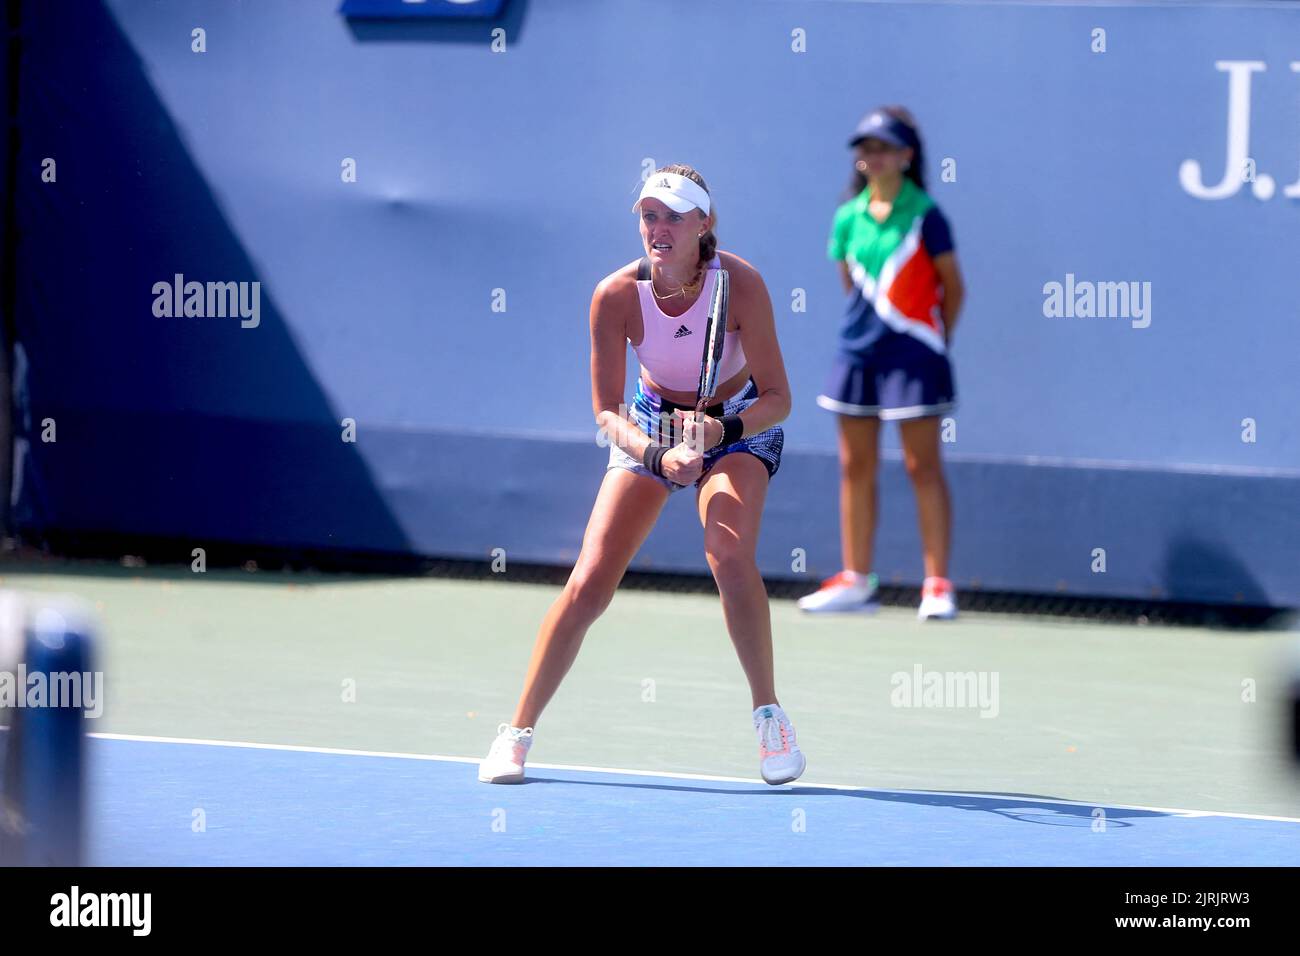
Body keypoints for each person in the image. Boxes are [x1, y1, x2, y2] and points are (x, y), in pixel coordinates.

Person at [479, 165, 806, 785]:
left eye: (675, 216)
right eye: (649, 215)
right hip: (652, 421)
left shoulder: (741, 284)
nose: (658, 228)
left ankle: (769, 715)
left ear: (704, 224)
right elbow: (606, 410)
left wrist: (718, 433)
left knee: (727, 554)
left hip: (738, 420)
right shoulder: (615, 295)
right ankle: (515, 734)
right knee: (591, 579)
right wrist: (658, 456)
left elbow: (779, 397)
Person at [799, 107, 966, 621]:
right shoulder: (846, 216)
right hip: (857, 353)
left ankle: (936, 585)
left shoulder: (926, 215)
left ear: (905, 156)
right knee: (855, 466)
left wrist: (930, 341)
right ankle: (856, 580)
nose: (873, 156)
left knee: (922, 467)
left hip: (914, 356)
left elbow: (953, 289)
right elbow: (851, 284)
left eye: (884, 147)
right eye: (865, 148)